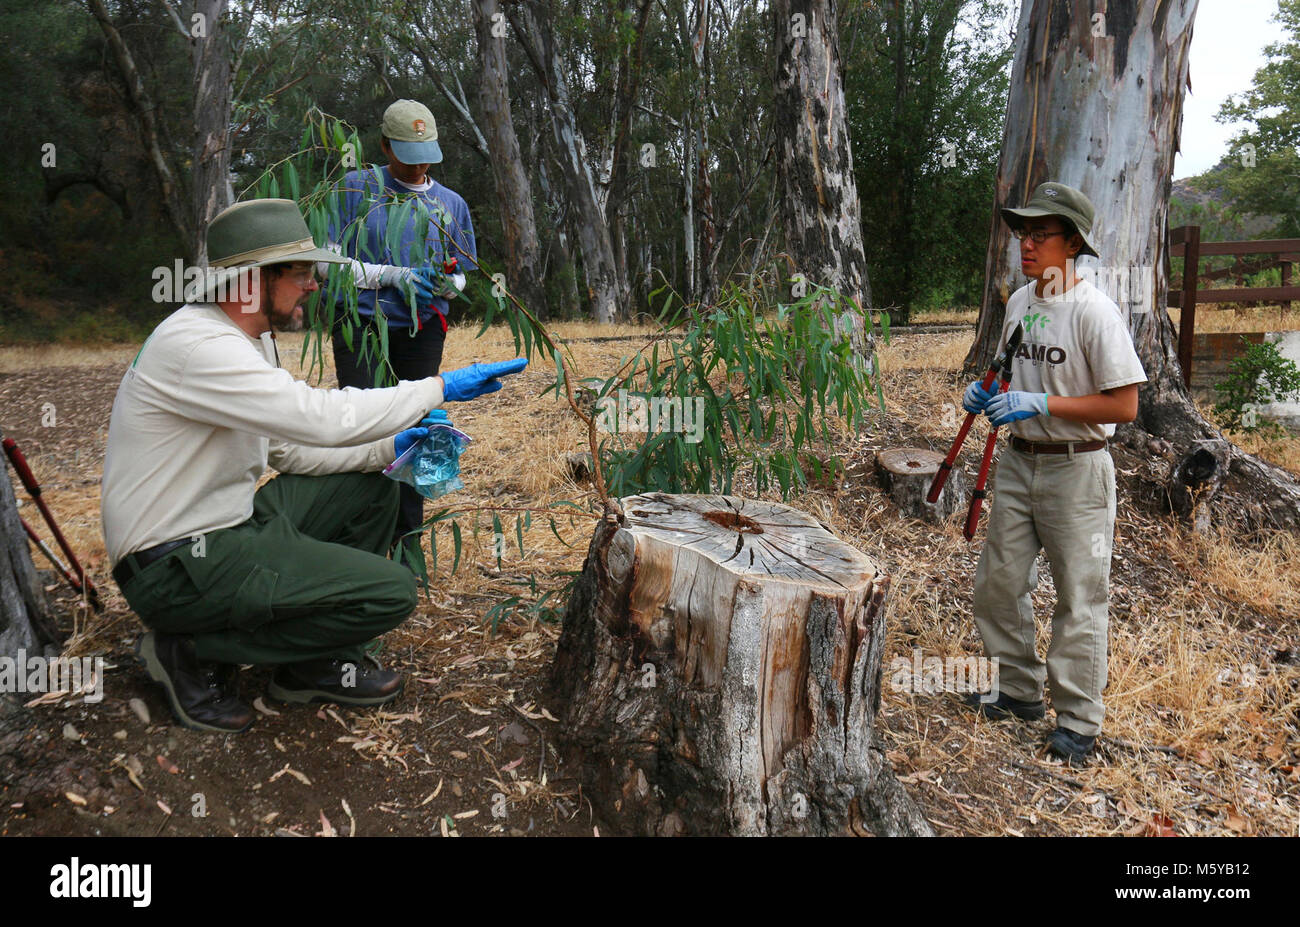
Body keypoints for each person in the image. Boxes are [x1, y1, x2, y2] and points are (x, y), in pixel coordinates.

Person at [102, 198, 525, 733]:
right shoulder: (199, 347)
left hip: (223, 528)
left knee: (374, 488)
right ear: (253, 279)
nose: (314, 284)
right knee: (391, 592)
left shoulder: (247, 342)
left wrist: (388, 450)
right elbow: (319, 418)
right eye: (301, 272)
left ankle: (309, 664)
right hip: (173, 563)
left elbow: (285, 448)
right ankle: (187, 646)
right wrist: (437, 388)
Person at [960, 182, 1147, 764]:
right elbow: (1012, 371)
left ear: (1073, 243)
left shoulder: (1094, 312)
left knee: (1079, 596)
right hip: (1019, 462)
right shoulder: (1020, 303)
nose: (1028, 243)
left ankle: (1078, 720)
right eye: (1023, 232)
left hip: (1077, 470)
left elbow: (1124, 405)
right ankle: (1017, 691)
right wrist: (988, 393)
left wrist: (1043, 405)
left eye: (1041, 233)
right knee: (998, 583)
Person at [321, 99, 477, 571]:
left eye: (426, 153)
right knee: (364, 426)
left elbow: (464, 270)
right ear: (384, 145)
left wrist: (449, 282)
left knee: (416, 429)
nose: (418, 164)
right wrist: (392, 275)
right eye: (407, 154)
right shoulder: (354, 189)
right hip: (361, 325)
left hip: (422, 328)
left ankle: (407, 542)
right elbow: (327, 263)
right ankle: (360, 542)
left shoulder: (450, 204)